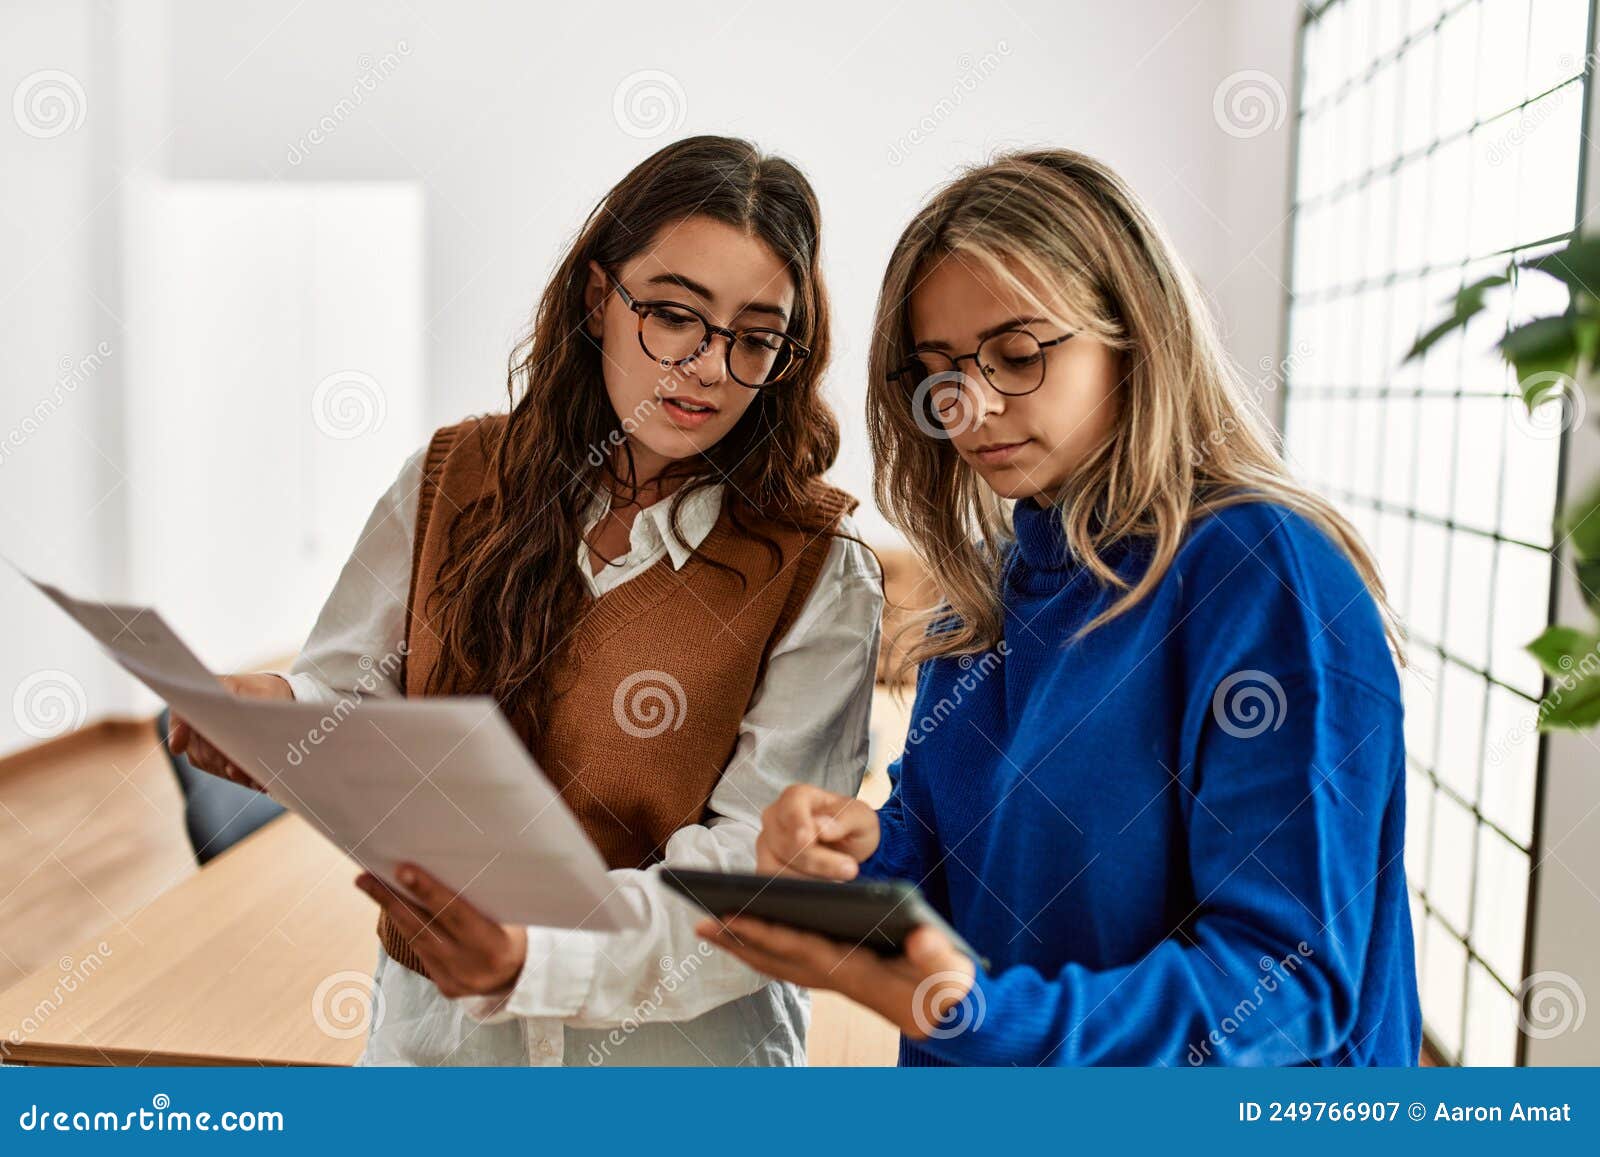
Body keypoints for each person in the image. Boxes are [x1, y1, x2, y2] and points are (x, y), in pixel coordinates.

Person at [169, 135, 883, 1066]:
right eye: (675, 315)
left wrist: (534, 956)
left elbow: (760, 882)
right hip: (438, 1047)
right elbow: (354, 703)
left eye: (756, 337)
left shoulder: (820, 569)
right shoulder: (449, 478)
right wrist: (282, 722)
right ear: (598, 299)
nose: (711, 366)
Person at [699, 148, 1422, 1067]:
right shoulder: (996, 590)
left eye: (1016, 354)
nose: (973, 405)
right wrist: (854, 859)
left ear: (1136, 332)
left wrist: (980, 1014)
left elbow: (1287, 986)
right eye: (940, 369)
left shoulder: (1263, 574)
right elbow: (944, 857)